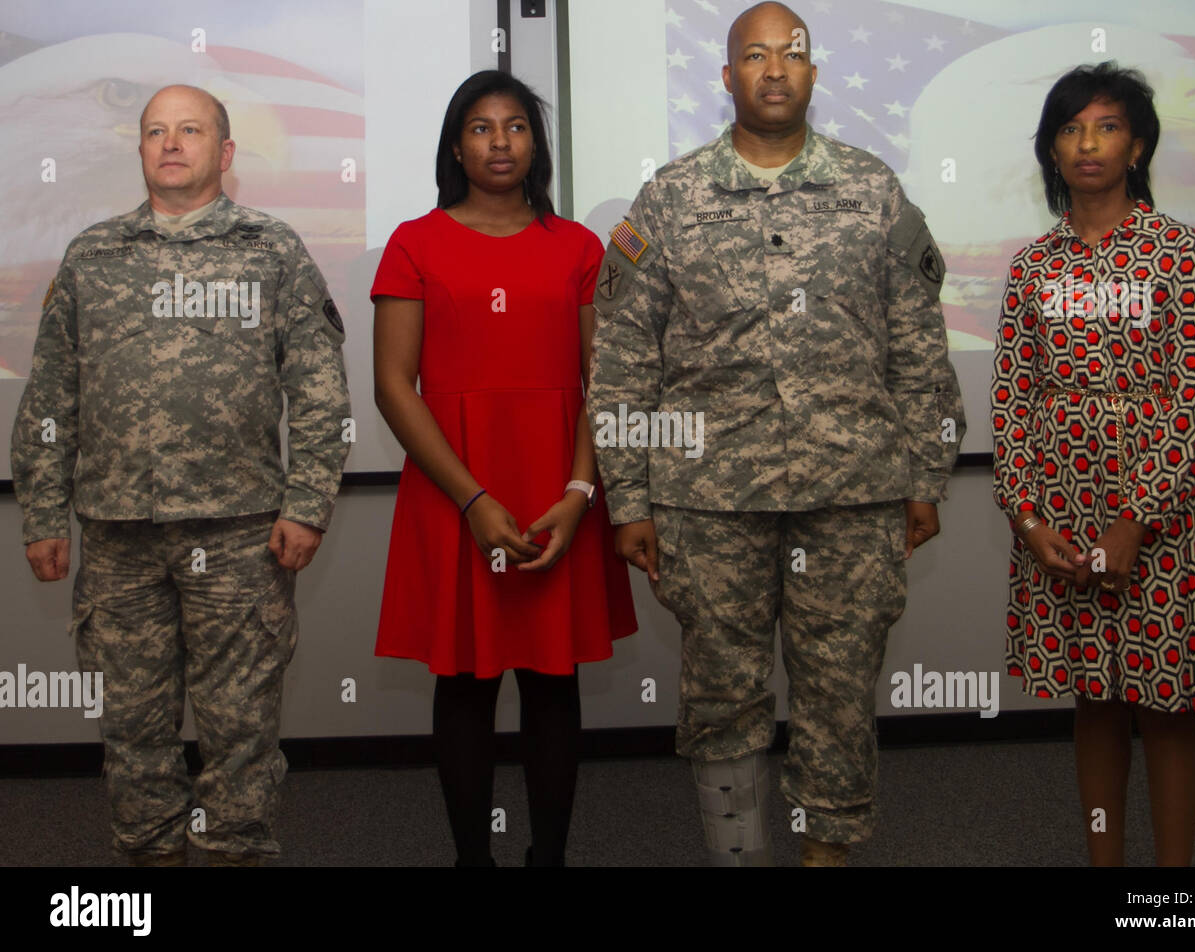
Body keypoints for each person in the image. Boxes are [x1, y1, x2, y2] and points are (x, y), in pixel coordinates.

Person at [588, 1, 964, 867]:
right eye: (752, 56)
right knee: (721, 694)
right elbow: (622, 362)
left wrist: (926, 475)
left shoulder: (872, 190)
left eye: (789, 54)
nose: (772, 69)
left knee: (838, 696)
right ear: (725, 77)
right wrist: (627, 496)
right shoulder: (671, 199)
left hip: (853, 495)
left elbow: (918, 348)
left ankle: (827, 857)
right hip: (708, 502)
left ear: (813, 72)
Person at [10, 84, 351, 865]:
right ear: (139, 150)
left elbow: (319, 390)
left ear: (224, 153)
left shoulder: (272, 250)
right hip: (118, 540)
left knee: (240, 736)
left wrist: (308, 503)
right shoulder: (91, 255)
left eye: (190, 130)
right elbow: (51, 395)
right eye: (156, 131)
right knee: (133, 737)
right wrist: (41, 513)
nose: (171, 143)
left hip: (240, 539)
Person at [371, 70, 637, 868]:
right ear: (456, 144)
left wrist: (580, 494)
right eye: (481, 128)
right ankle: (472, 860)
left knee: (555, 686)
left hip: (560, 493)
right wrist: (475, 501)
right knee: (464, 684)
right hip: (457, 494)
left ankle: (547, 857)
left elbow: (607, 382)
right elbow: (392, 387)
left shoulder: (580, 249)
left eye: (516, 126)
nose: (499, 141)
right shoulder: (414, 242)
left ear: (535, 143)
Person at [991, 62, 1195, 866]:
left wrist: (1135, 519)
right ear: (1052, 151)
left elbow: (1192, 396)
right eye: (1070, 129)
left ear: (1135, 146)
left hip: (1160, 522)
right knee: (1095, 701)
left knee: (1168, 707)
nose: (1087, 143)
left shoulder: (1179, 252)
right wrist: (1029, 520)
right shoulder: (1034, 265)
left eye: (1104, 127)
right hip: (1060, 518)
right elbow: (1011, 402)